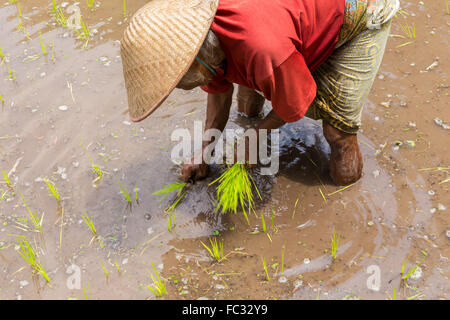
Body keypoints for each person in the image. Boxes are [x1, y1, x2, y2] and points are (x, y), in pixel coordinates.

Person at [120, 0, 399, 186]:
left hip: (359, 11)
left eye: (183, 82)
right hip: (290, 20)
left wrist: (254, 136)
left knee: (338, 133)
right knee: (247, 101)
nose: (182, 89)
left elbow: (294, 102)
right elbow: (217, 90)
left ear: (201, 60)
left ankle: (346, 203)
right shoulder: (201, 36)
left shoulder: (265, 50)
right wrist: (204, 152)